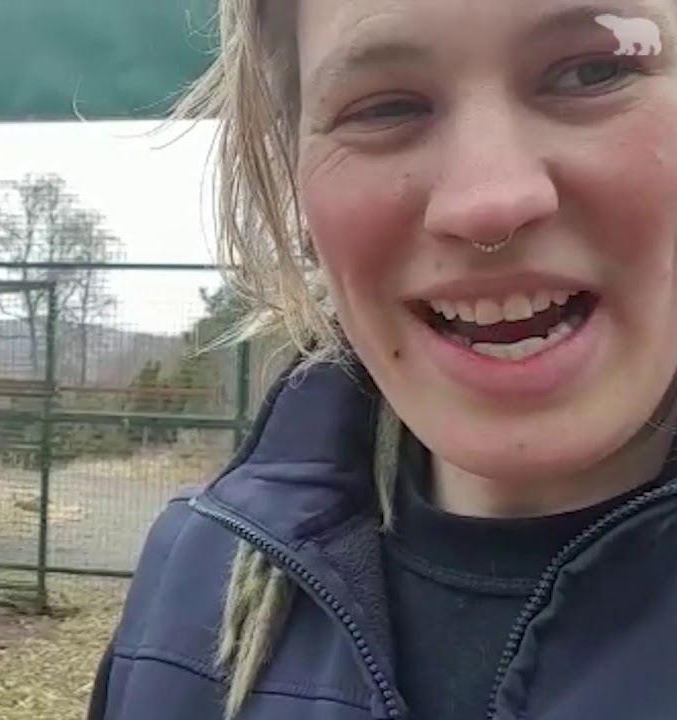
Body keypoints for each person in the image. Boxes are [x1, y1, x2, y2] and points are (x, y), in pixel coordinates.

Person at [87, 0, 677, 718]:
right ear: (296, 183)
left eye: (594, 71)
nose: (487, 203)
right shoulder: (194, 585)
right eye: (385, 107)